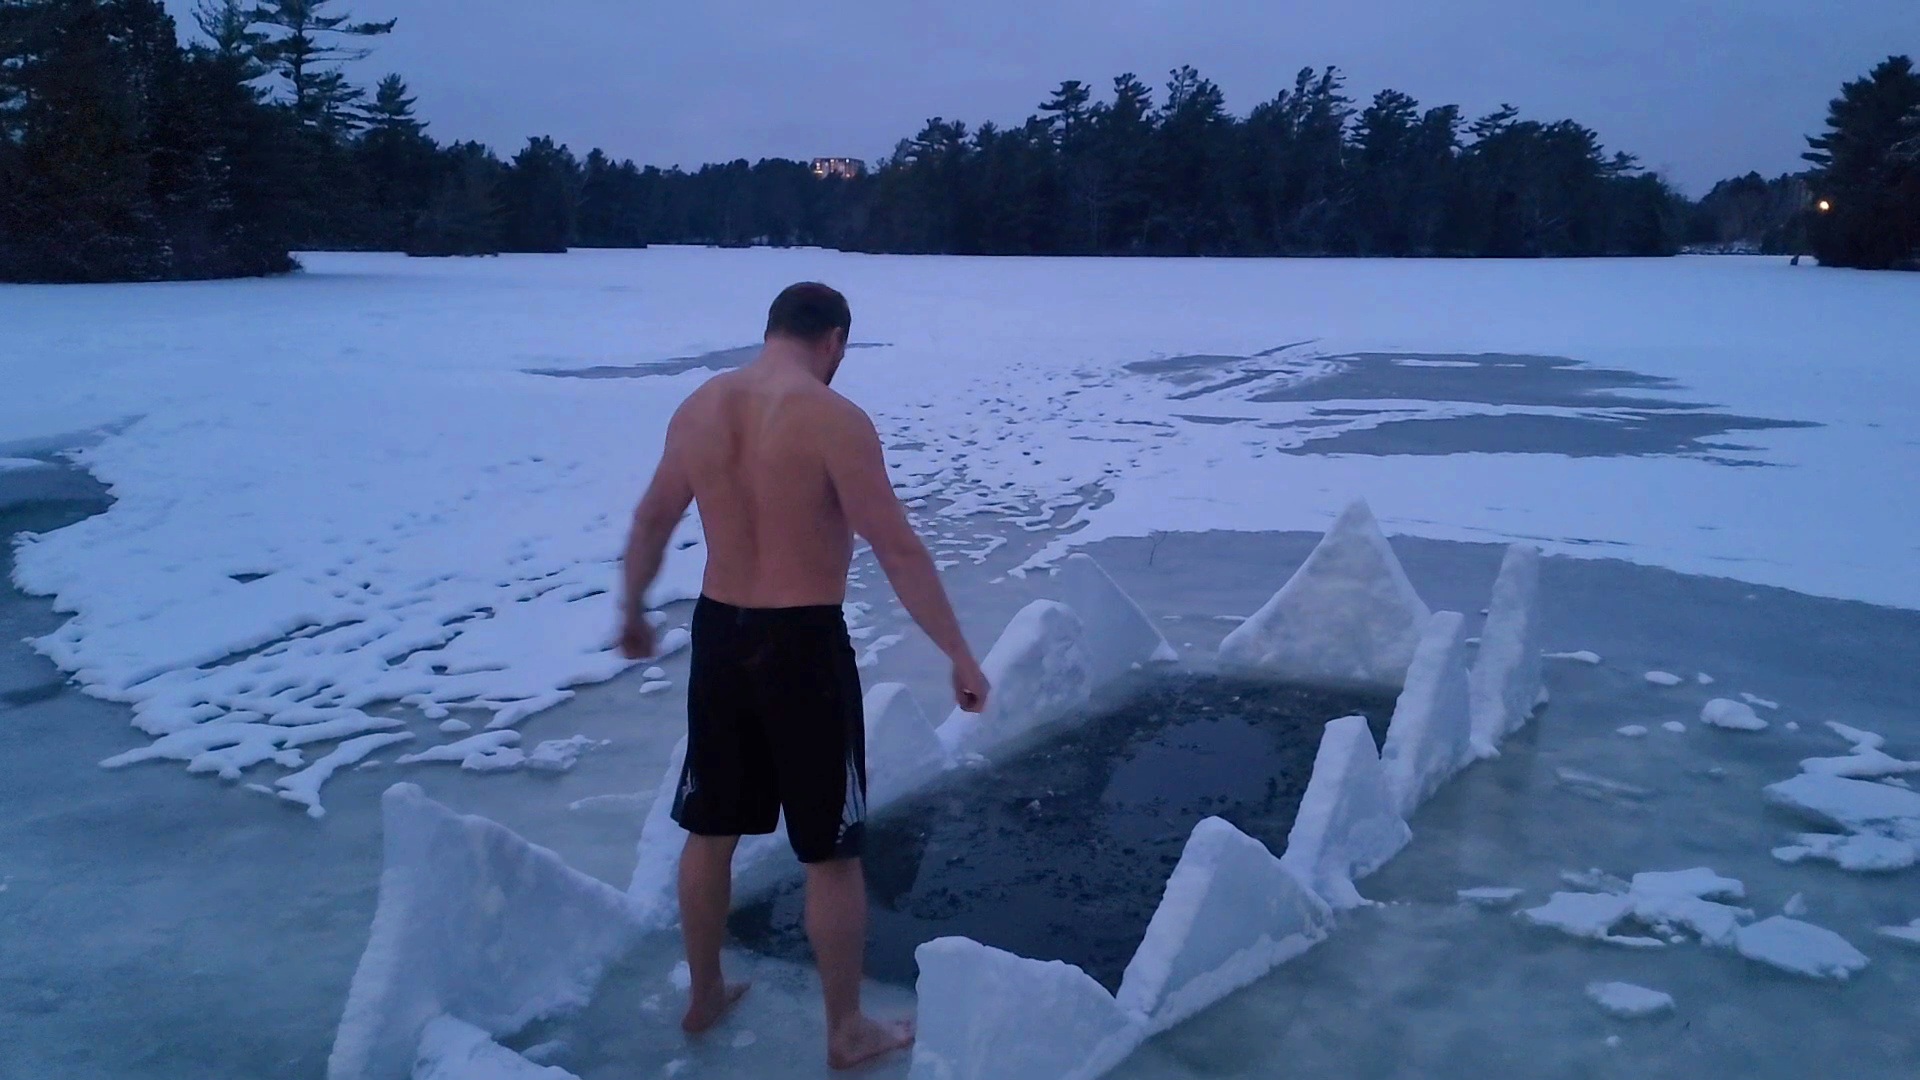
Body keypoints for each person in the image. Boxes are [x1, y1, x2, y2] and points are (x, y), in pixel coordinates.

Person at [617, 282, 990, 1070]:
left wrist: (633, 610)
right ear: (834, 341)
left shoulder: (702, 407)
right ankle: (846, 1029)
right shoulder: (834, 419)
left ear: (773, 331)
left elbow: (653, 518)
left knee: (710, 830)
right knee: (830, 851)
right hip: (801, 645)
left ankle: (705, 993)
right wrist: (957, 651)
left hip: (720, 633)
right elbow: (895, 547)